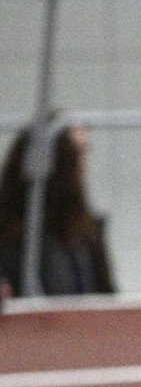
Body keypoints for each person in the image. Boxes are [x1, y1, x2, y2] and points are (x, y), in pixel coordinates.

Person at [1, 125, 115, 296]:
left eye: (84, 151)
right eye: (74, 153)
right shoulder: (14, 238)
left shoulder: (85, 231)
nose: (82, 163)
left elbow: (106, 296)